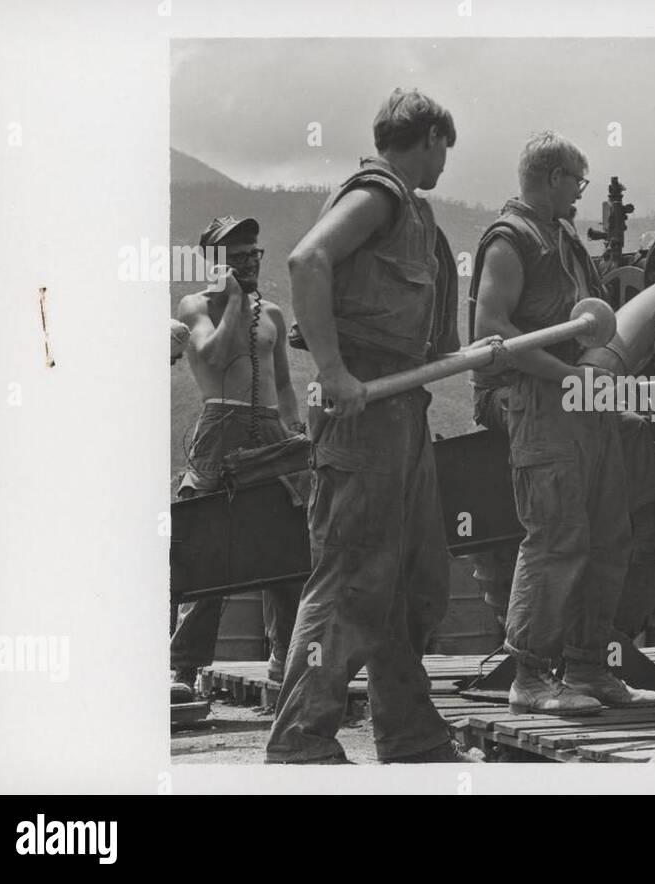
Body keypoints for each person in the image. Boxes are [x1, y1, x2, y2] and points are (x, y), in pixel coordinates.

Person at [264, 88, 463, 763]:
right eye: (445, 148)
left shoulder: (416, 214)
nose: (445, 162)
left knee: (412, 579)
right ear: (430, 137)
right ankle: (300, 742)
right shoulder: (377, 194)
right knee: (351, 580)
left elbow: (432, 340)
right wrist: (335, 370)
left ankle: (410, 734)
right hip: (361, 412)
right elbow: (306, 261)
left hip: (402, 410)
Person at [471, 131, 655, 715]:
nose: (581, 195)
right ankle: (530, 677)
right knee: (556, 540)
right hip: (542, 407)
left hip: (588, 409)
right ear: (553, 177)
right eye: (576, 182)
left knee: (609, 537)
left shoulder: (564, 238)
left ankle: (587, 669)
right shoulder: (510, 241)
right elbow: (492, 332)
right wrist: (565, 377)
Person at [172, 216, 303, 689]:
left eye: (254, 252)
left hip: (269, 427)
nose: (249, 260)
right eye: (238, 254)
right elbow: (214, 356)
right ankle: (185, 665)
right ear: (217, 262)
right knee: (208, 541)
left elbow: (284, 384)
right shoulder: (196, 305)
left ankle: (285, 657)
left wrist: (291, 431)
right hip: (221, 427)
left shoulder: (270, 315)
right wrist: (233, 301)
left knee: (287, 543)